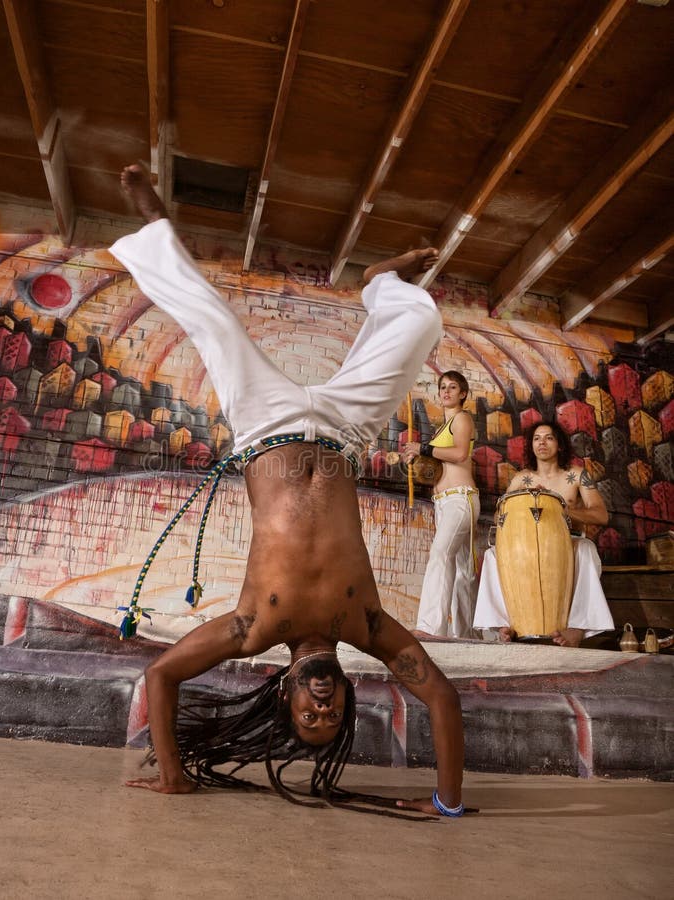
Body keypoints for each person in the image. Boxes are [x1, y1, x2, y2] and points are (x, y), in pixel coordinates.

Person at [109, 163, 468, 818]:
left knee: (212, 319)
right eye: (331, 720)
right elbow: (442, 698)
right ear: (347, 700)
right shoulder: (368, 626)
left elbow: (159, 676)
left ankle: (154, 222)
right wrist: (446, 804)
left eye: (308, 718)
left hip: (263, 424)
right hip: (343, 432)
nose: (321, 708)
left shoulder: (250, 629)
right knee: (423, 326)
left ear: (284, 696)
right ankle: (382, 286)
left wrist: (173, 778)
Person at [473, 420, 614, 647]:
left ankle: (577, 628)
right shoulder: (521, 479)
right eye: (537, 438)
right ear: (531, 446)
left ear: (559, 445)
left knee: (586, 549)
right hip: (526, 547)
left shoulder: (577, 475)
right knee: (492, 555)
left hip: (567, 542)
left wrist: (561, 509)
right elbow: (502, 516)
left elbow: (600, 515)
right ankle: (504, 624)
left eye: (549, 437)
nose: (542, 443)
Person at [403, 371, 479, 638]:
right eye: (442, 387)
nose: (446, 391)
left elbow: (459, 453)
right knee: (463, 573)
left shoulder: (462, 418)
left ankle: (430, 628)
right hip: (444, 502)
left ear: (463, 393)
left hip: (461, 498)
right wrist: (415, 459)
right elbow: (436, 465)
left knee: (441, 555)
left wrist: (422, 449)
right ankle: (465, 636)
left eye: (452, 387)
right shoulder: (441, 428)